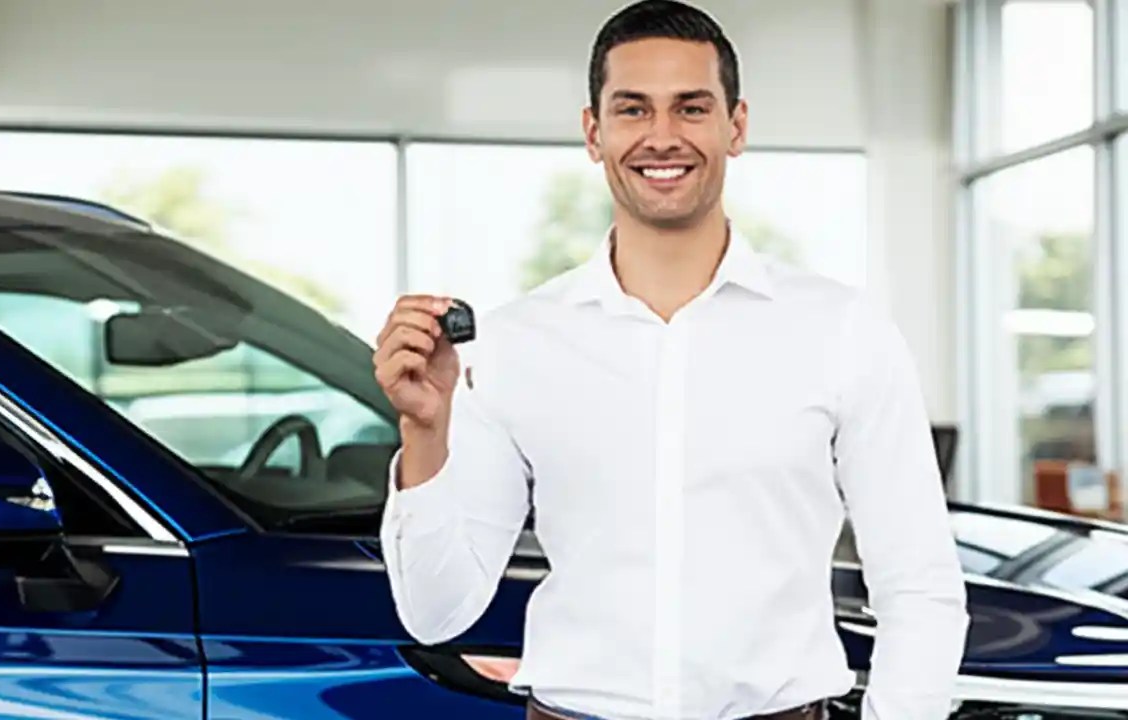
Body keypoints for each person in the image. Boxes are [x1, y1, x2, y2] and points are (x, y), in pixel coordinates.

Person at [371, 1, 970, 718]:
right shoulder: (514, 342)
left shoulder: (842, 330)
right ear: (594, 132)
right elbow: (438, 613)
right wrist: (426, 436)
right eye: (632, 110)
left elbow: (921, 583)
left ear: (735, 126)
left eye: (691, 108)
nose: (662, 137)